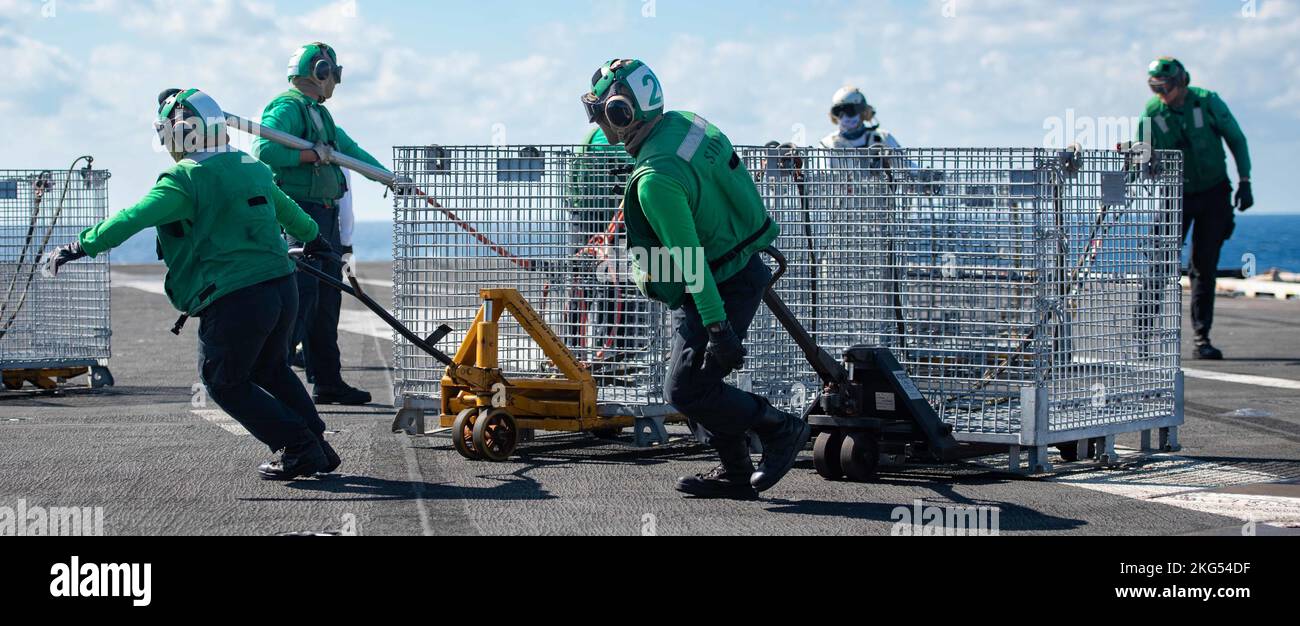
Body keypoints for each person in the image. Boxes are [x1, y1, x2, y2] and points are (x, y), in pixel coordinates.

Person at [42, 88, 340, 480]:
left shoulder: (185, 180)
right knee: (271, 369)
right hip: (283, 289)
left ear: (182, 134)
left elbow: (133, 217)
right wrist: (317, 240)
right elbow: (288, 210)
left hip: (237, 299)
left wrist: (79, 245)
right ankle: (318, 446)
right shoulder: (249, 166)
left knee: (223, 381)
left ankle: (299, 448)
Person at [581, 59, 810, 499]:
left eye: (600, 112)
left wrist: (718, 326)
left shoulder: (655, 180)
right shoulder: (685, 124)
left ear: (621, 114)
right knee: (701, 385)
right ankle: (736, 474)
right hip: (740, 268)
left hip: (721, 284)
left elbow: (690, 260)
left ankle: (781, 428)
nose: (597, 122)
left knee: (685, 389)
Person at [253, 42, 389, 404]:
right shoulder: (287, 107)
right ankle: (274, 378)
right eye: (334, 75)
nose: (335, 83)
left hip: (323, 216)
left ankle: (327, 380)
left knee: (326, 301)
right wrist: (313, 155)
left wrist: (390, 179)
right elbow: (264, 150)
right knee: (300, 298)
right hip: (301, 214)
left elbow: (351, 152)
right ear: (321, 72)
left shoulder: (320, 116)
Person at [1139, 57, 1253, 360]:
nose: (1163, 94)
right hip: (1176, 194)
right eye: (1156, 88)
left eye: (1167, 87)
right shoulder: (1152, 113)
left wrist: (1245, 180)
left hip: (1214, 192)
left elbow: (1236, 139)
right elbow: (1142, 154)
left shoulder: (1207, 102)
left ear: (1182, 82)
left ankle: (1202, 337)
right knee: (1158, 264)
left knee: (1204, 266)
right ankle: (1142, 339)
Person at [819, 86, 901, 150]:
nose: (845, 117)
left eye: (851, 110)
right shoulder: (827, 144)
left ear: (863, 112)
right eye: (838, 112)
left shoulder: (883, 138)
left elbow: (907, 166)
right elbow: (823, 170)